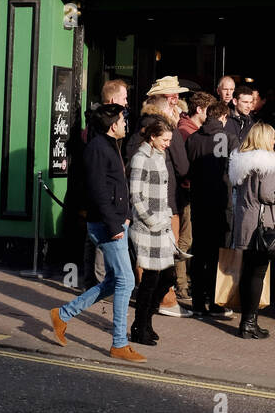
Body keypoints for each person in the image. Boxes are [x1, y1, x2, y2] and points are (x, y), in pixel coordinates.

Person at [49, 103, 146, 363]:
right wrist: (114, 225)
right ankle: (119, 343)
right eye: (123, 120)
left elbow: (116, 186)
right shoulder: (97, 148)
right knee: (126, 281)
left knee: (115, 281)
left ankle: (63, 314)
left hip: (115, 222)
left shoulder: (109, 145)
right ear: (113, 125)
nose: (126, 123)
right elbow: (98, 191)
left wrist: (125, 215)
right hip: (106, 226)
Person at [126, 77, 192, 315]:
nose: (176, 100)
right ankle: (164, 301)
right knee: (162, 255)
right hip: (163, 201)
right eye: (171, 96)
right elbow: (182, 165)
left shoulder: (143, 123)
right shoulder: (163, 126)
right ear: (162, 99)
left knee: (148, 255)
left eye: (176, 96)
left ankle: (152, 301)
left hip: (153, 201)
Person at [229, 122, 275, 339]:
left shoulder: (242, 161)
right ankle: (249, 324)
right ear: (265, 139)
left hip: (245, 222)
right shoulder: (268, 163)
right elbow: (267, 194)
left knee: (247, 273)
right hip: (261, 225)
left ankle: (246, 322)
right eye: (273, 137)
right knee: (257, 274)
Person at [128, 117, 178, 347]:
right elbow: (135, 195)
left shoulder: (160, 155)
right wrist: (152, 220)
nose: (168, 144)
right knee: (150, 279)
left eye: (169, 140)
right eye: (164, 140)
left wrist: (164, 216)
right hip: (147, 228)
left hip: (161, 225)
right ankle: (140, 327)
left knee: (168, 276)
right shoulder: (141, 158)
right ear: (152, 137)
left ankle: (146, 320)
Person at [185, 99, 234, 318]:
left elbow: (187, 168)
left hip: (198, 201)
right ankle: (215, 302)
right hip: (221, 203)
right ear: (223, 117)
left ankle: (197, 303)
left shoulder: (193, 138)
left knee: (199, 252)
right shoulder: (228, 138)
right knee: (217, 254)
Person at [79, 79, 129, 289]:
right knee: (122, 277)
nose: (126, 102)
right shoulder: (98, 133)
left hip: (109, 205)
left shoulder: (110, 131)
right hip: (104, 207)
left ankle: (95, 283)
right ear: (113, 100)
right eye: (124, 98)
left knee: (97, 245)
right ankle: (97, 283)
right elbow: (98, 182)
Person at [224, 85, 254, 153]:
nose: (249, 106)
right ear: (235, 101)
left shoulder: (253, 124)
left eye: (251, 102)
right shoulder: (224, 120)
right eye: (245, 102)